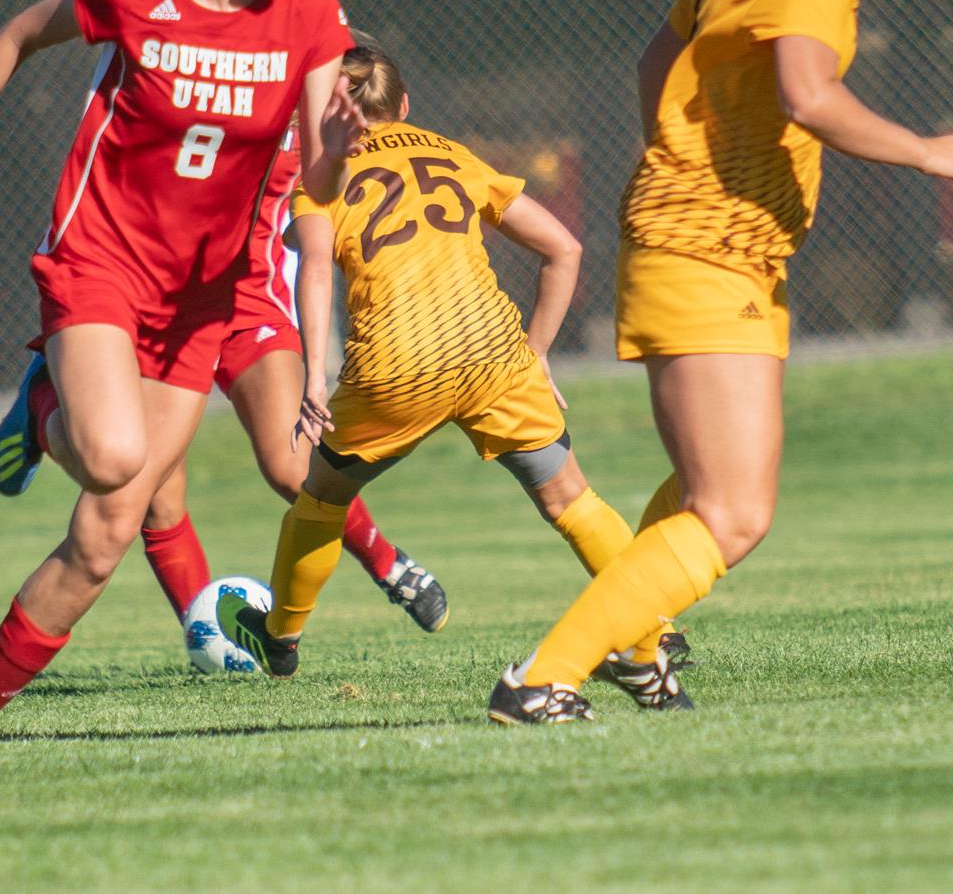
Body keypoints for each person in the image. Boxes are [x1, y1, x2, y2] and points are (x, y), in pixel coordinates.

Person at [488, 0, 953, 724]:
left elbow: (653, 64)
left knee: (698, 485)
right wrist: (927, 148)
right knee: (735, 512)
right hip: (707, 248)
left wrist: (679, 160)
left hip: (701, 241)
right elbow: (809, 93)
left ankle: (634, 649)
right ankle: (540, 679)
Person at [0, 0, 365, 753]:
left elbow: (315, 183)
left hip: (202, 300)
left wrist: (337, 155)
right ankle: (52, 400)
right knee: (109, 459)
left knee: (107, 532)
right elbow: (18, 35)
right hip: (101, 261)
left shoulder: (313, 18)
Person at [221, 39, 690, 713]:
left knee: (321, 497)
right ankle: (656, 628)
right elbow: (564, 246)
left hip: (395, 363)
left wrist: (315, 376)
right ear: (405, 105)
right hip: (492, 351)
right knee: (572, 499)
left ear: (329, 113)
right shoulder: (451, 153)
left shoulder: (323, 176)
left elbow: (316, 268)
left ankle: (281, 638)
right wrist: (536, 352)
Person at [132, 122, 451, 635]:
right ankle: (214, 636)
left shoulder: (304, 115)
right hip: (157, 311)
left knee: (292, 466)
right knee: (155, 493)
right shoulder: (181, 92)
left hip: (247, 304)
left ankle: (389, 564)